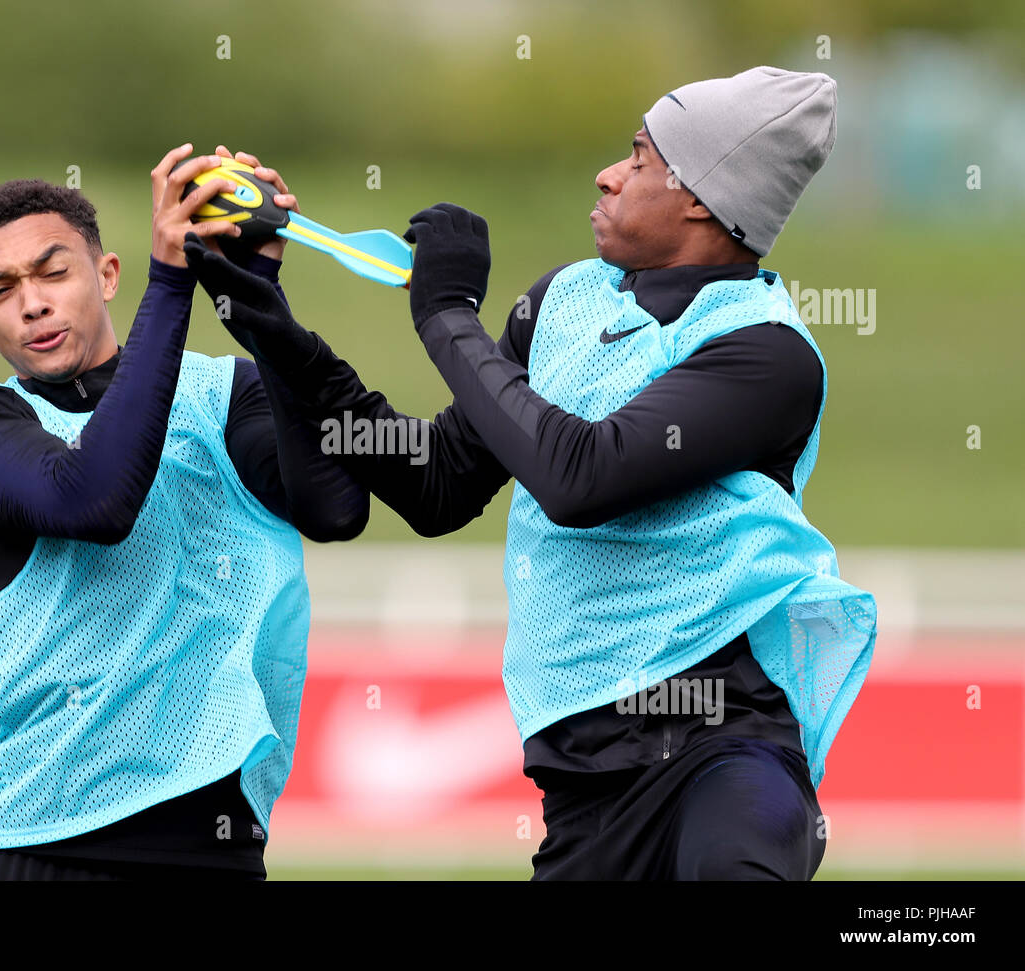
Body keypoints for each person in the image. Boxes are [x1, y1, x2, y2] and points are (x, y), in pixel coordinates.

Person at [182, 67, 877, 880]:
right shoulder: (564, 301)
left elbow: (580, 478)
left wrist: (446, 319)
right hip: (580, 781)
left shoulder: (767, 350)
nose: (609, 175)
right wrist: (262, 309)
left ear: (700, 198)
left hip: (721, 750)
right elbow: (436, 483)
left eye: (640, 158)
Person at [0, 144, 367, 880]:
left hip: (218, 849)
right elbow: (96, 499)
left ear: (108, 274)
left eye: (54, 272)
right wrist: (174, 283)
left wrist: (258, 298)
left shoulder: (226, 395)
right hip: (38, 845)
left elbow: (337, 507)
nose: (31, 302)